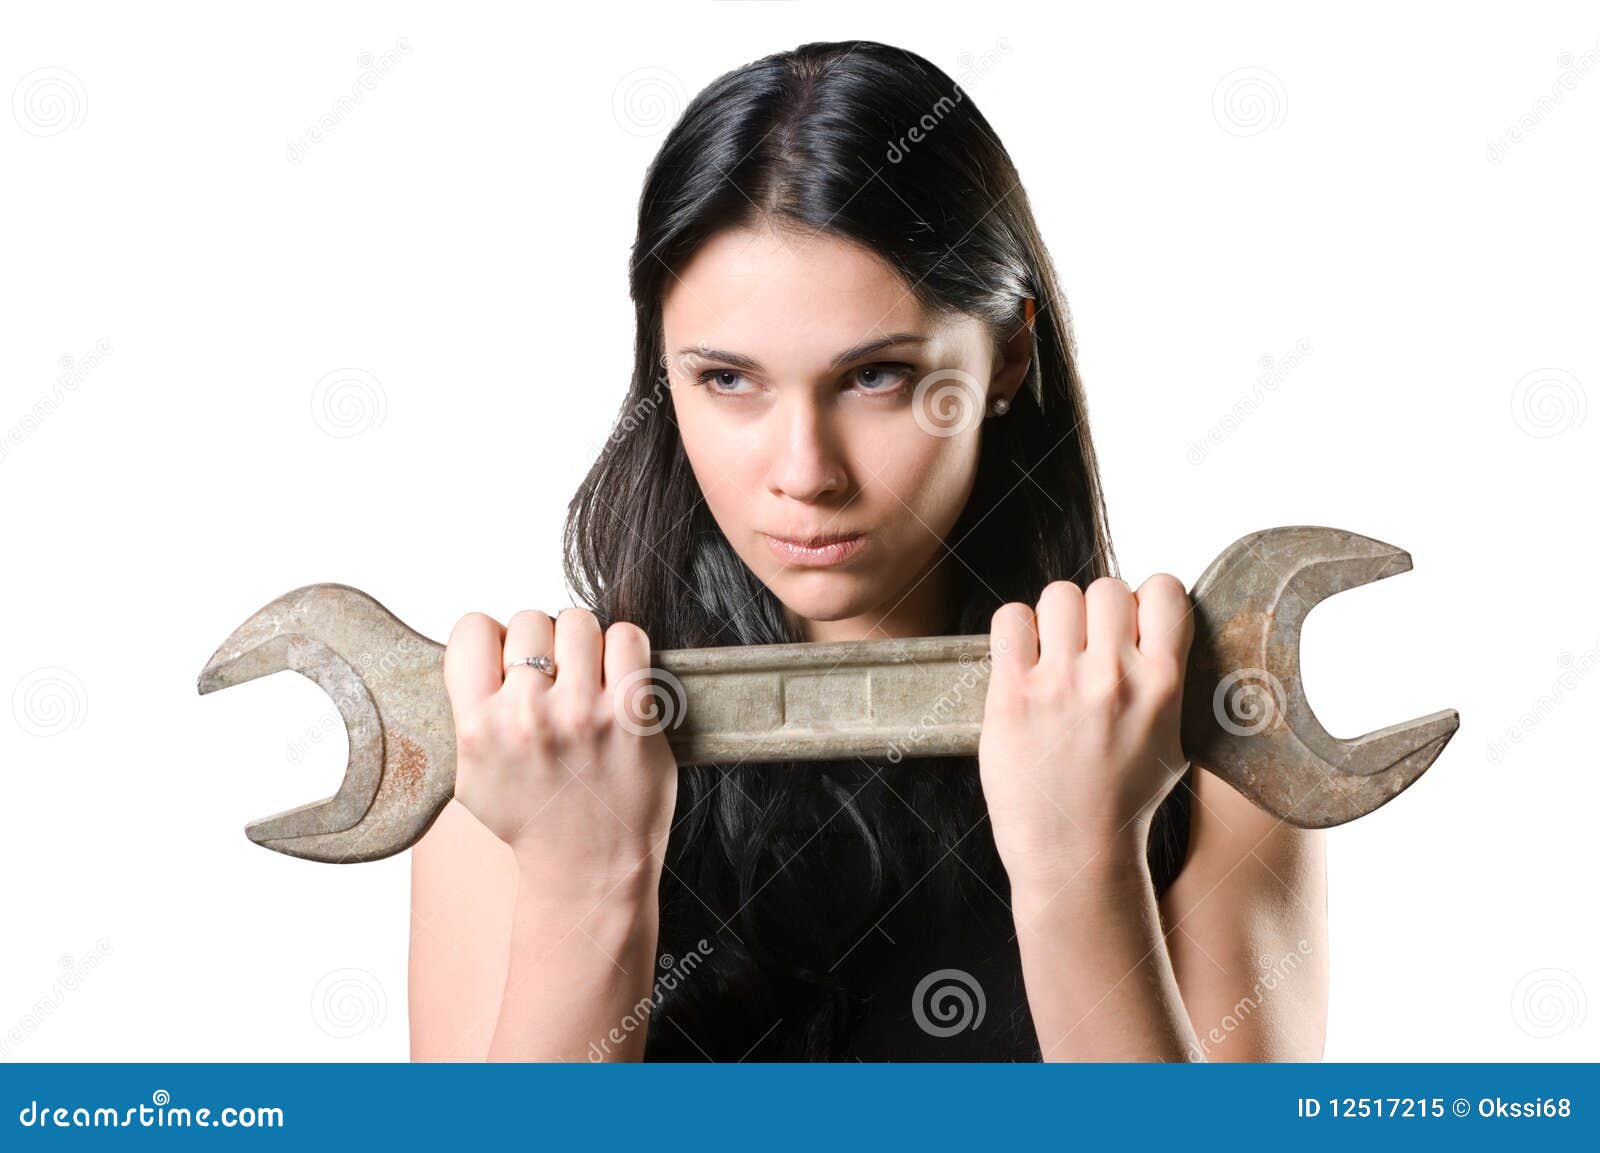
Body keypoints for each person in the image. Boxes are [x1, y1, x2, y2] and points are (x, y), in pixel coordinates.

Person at [408, 39, 1327, 1062]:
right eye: (726, 380)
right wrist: (586, 886)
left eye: (877, 377)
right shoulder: (514, 755)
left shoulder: (1211, 751)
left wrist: (1083, 862)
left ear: (1007, 355)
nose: (804, 471)